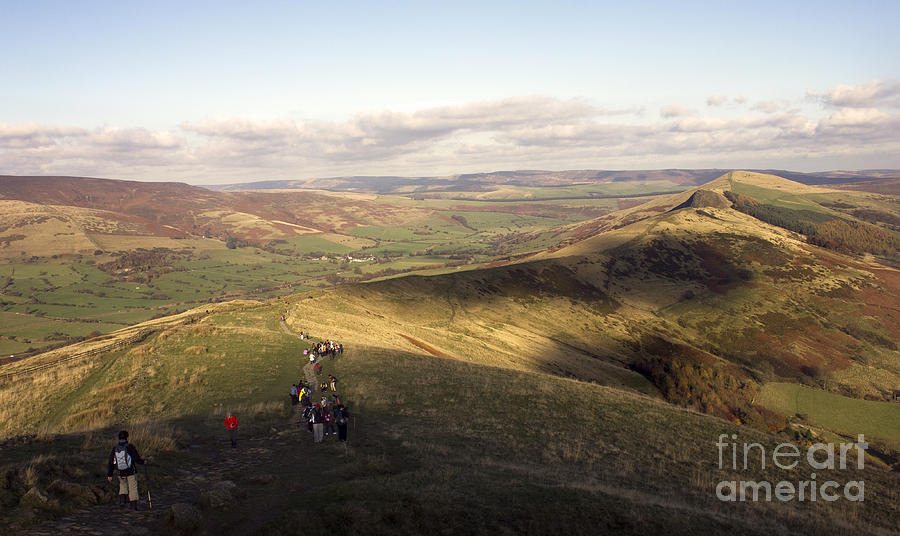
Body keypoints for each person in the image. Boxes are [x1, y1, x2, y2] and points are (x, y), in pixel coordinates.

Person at [106, 430, 146, 510]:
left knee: (122, 486)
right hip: (131, 471)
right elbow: (136, 458)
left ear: (119, 438)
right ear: (127, 437)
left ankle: (122, 501)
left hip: (120, 472)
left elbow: (111, 462)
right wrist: (143, 462)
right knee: (133, 487)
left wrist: (110, 474)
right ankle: (133, 506)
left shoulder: (115, 448)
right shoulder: (130, 446)